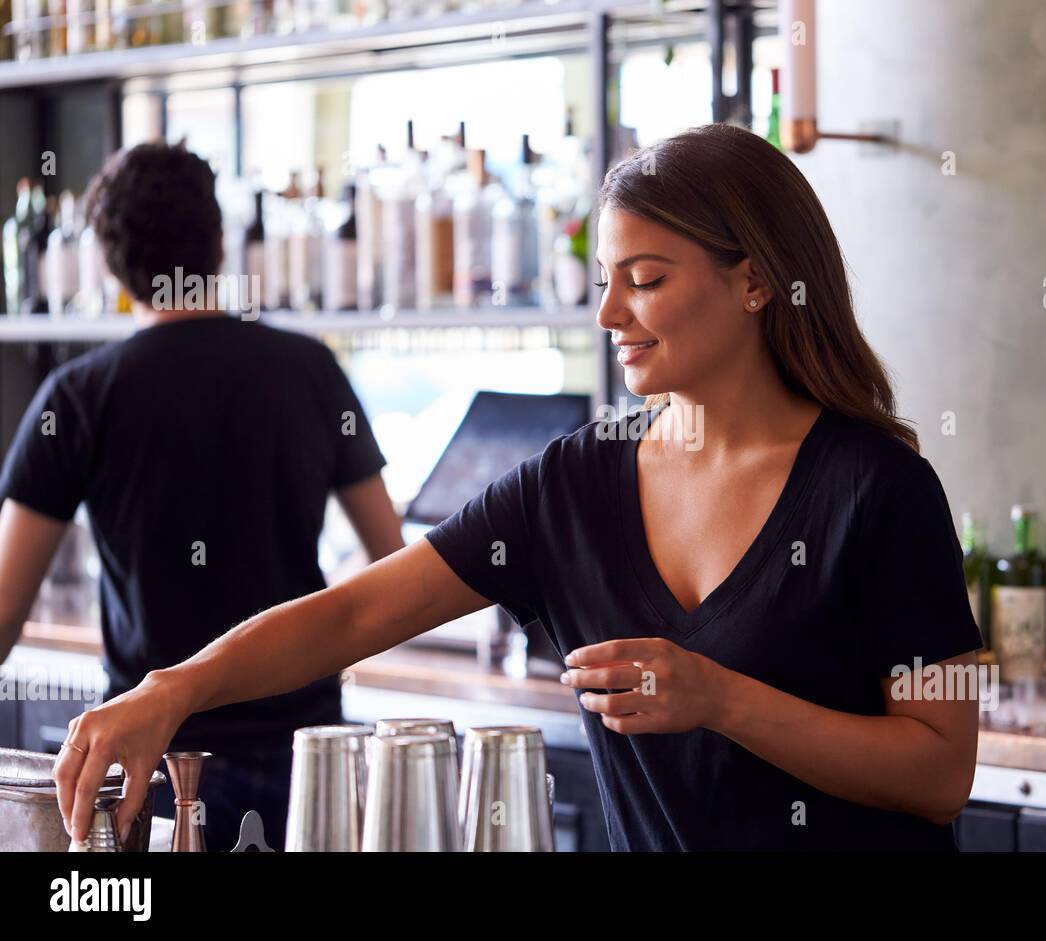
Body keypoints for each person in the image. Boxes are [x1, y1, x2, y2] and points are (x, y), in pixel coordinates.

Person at [55, 124, 981, 852]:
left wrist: (723, 697)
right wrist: (170, 690)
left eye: (646, 280)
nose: (610, 313)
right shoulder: (574, 484)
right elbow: (346, 619)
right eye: (605, 280)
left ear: (753, 283)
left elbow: (940, 770)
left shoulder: (881, 490)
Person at [0, 142, 404, 852]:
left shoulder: (80, 396)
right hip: (305, 760)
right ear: (219, 244)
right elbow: (390, 562)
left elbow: (3, 612)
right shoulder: (309, 370)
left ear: (108, 260)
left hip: (148, 763)